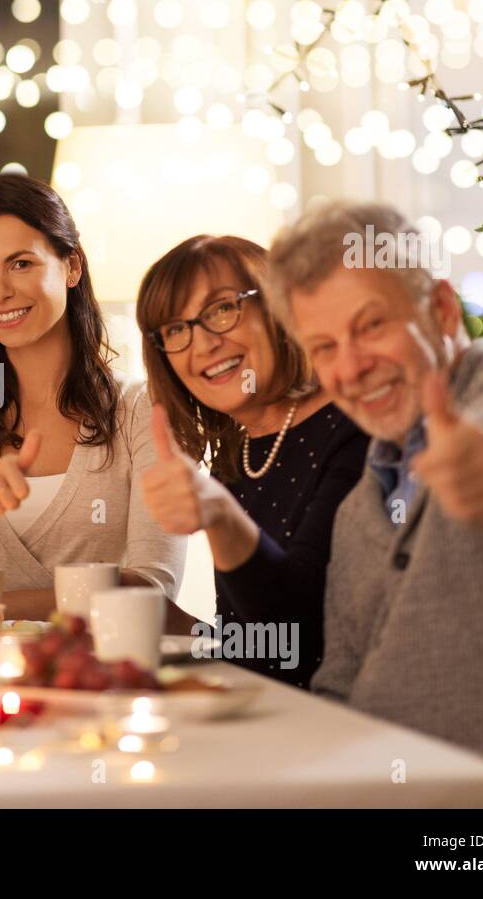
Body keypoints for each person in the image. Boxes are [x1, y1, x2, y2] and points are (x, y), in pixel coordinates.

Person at [266, 199, 483, 804]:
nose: (352, 367)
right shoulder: (361, 506)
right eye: (325, 347)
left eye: (371, 327)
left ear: (442, 310)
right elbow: (340, 687)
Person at [0, 174, 186, 620]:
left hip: (101, 678)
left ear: (72, 266)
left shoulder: (143, 409)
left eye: (20, 264)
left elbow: (152, 590)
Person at [135, 236, 369, 687]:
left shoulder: (355, 427)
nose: (203, 344)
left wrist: (221, 518)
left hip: (349, 731)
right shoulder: (236, 453)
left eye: (222, 309)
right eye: (176, 330)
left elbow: (300, 645)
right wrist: (163, 621)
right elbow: (255, 644)